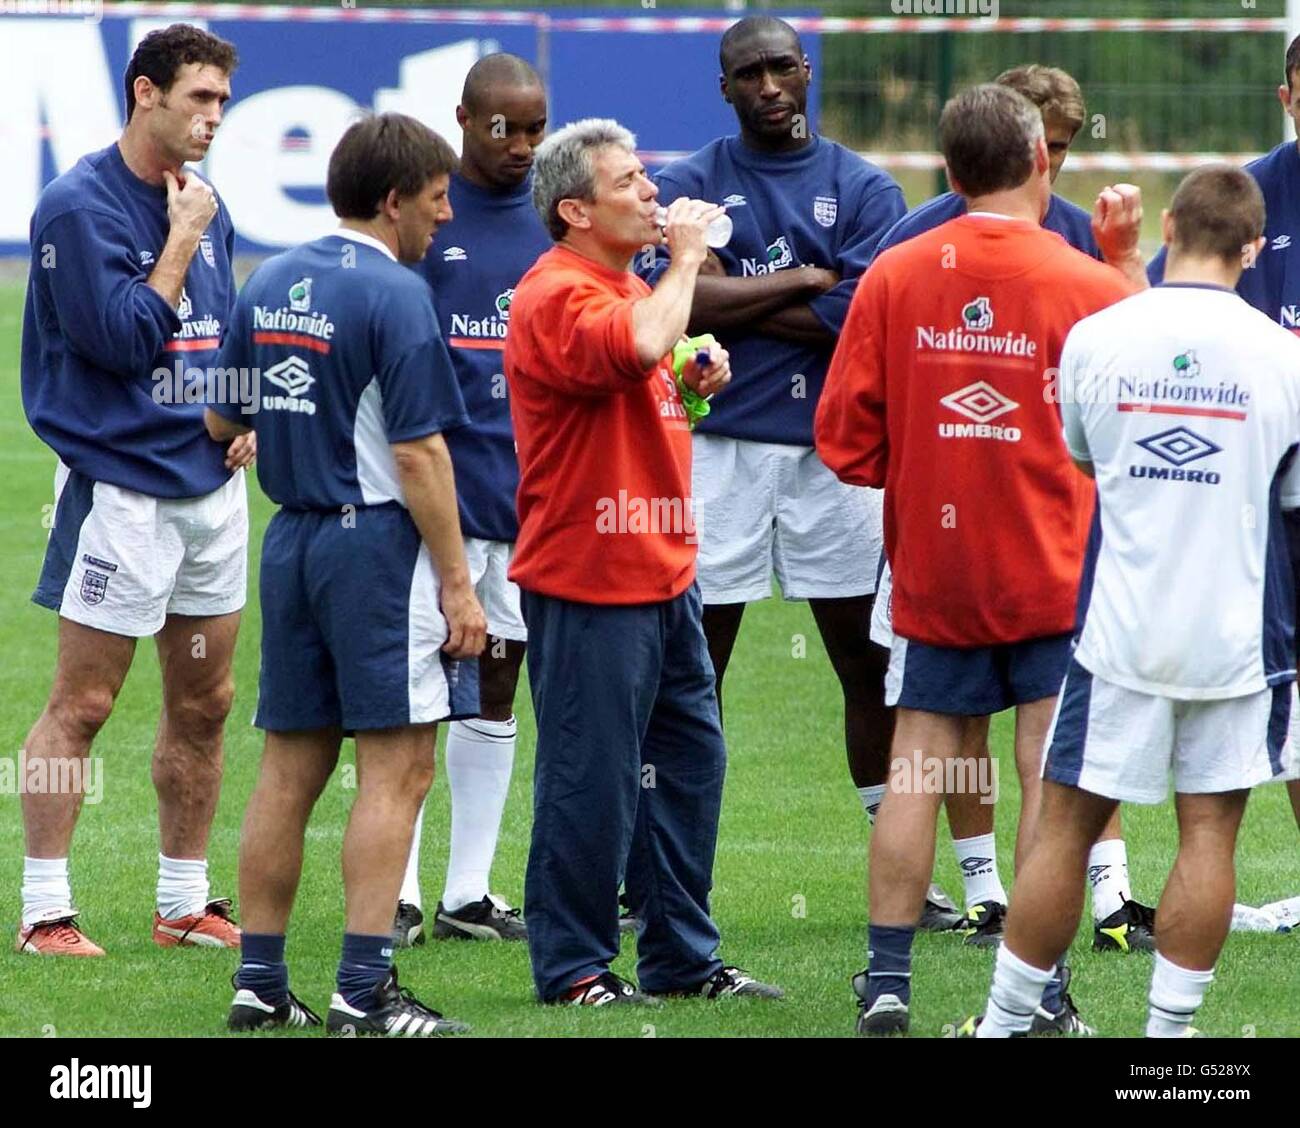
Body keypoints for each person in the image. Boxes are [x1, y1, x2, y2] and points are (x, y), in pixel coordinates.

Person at [815, 84, 1143, 1036]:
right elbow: (1126, 432)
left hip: (937, 563)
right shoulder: (1085, 281)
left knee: (918, 764)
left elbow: (843, 440)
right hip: (1052, 561)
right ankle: (1039, 991)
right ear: (1043, 160)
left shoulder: (896, 273)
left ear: (948, 176)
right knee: (1049, 772)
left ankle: (886, 984)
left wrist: (928, 462)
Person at [967, 165, 1300, 1038]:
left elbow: (1088, 460)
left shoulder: (1097, 337)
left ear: (1168, 228)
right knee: (1210, 836)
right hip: (1235, 641)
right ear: (1253, 248)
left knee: (1067, 827)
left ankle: (1004, 1025)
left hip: (1117, 632)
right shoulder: (1287, 358)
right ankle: (1169, 1044)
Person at [638, 16, 928, 925]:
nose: (768, 85)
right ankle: (663, 885)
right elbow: (678, 308)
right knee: (694, 664)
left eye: (781, 68)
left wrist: (738, 293)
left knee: (866, 660)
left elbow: (862, 315)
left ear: (806, 74)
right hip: (714, 447)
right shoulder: (687, 186)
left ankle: (901, 883)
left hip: (832, 454)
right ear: (723, 87)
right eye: (748, 73)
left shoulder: (865, 186)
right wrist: (807, 280)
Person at [210, 113, 487, 1036]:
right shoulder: (400, 296)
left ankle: (259, 982)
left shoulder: (271, 276)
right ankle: (362, 992)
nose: (446, 217)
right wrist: (457, 581)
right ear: (393, 199)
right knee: (401, 767)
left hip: (289, 543)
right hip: (375, 549)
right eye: (438, 199)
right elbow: (420, 458)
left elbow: (222, 421)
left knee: (288, 769)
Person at [505, 117, 780, 1005]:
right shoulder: (559, 293)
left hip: (664, 573)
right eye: (630, 183)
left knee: (687, 771)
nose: (654, 193)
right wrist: (690, 263)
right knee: (591, 779)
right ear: (575, 210)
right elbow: (636, 348)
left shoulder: (621, 288)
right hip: (591, 575)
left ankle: (680, 958)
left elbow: (638, 398)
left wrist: (691, 400)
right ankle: (576, 967)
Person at [17, 24, 250, 957]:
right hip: (120, 493)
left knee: (208, 702)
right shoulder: (78, 208)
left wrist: (247, 416)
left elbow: (226, 332)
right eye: (200, 98)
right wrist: (181, 239)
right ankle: (43, 914)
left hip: (211, 490)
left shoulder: (207, 200)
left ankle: (182, 902)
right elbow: (120, 343)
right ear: (145, 93)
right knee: (84, 705)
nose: (214, 119)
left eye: (224, 102)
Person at [394, 53, 550, 948]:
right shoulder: (427, 214)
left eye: (534, 128)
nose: (521, 145)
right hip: (438, 503)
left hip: (526, 501)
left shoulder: (554, 223)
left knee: (497, 687)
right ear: (463, 118)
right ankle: (403, 893)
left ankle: (468, 893)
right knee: (417, 692)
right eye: (504, 127)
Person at [1149, 33, 1300, 837]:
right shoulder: (1246, 198)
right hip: (1248, 488)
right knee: (1254, 696)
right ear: (1287, 99)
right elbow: (1164, 317)